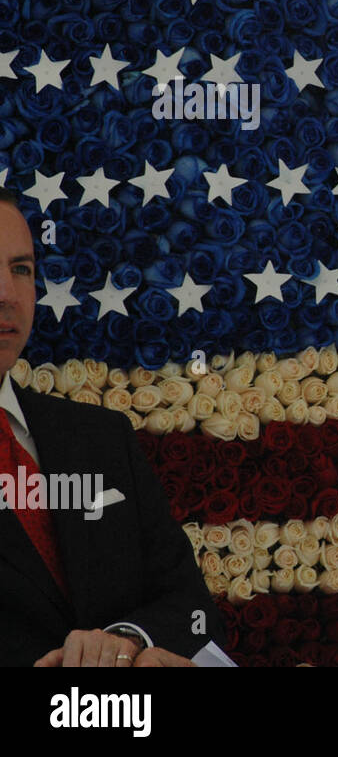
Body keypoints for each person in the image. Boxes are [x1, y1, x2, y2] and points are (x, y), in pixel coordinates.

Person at [0, 186, 226, 666]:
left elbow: (193, 609)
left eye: (20, 269)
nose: (5, 294)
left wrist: (129, 638)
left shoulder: (102, 438)